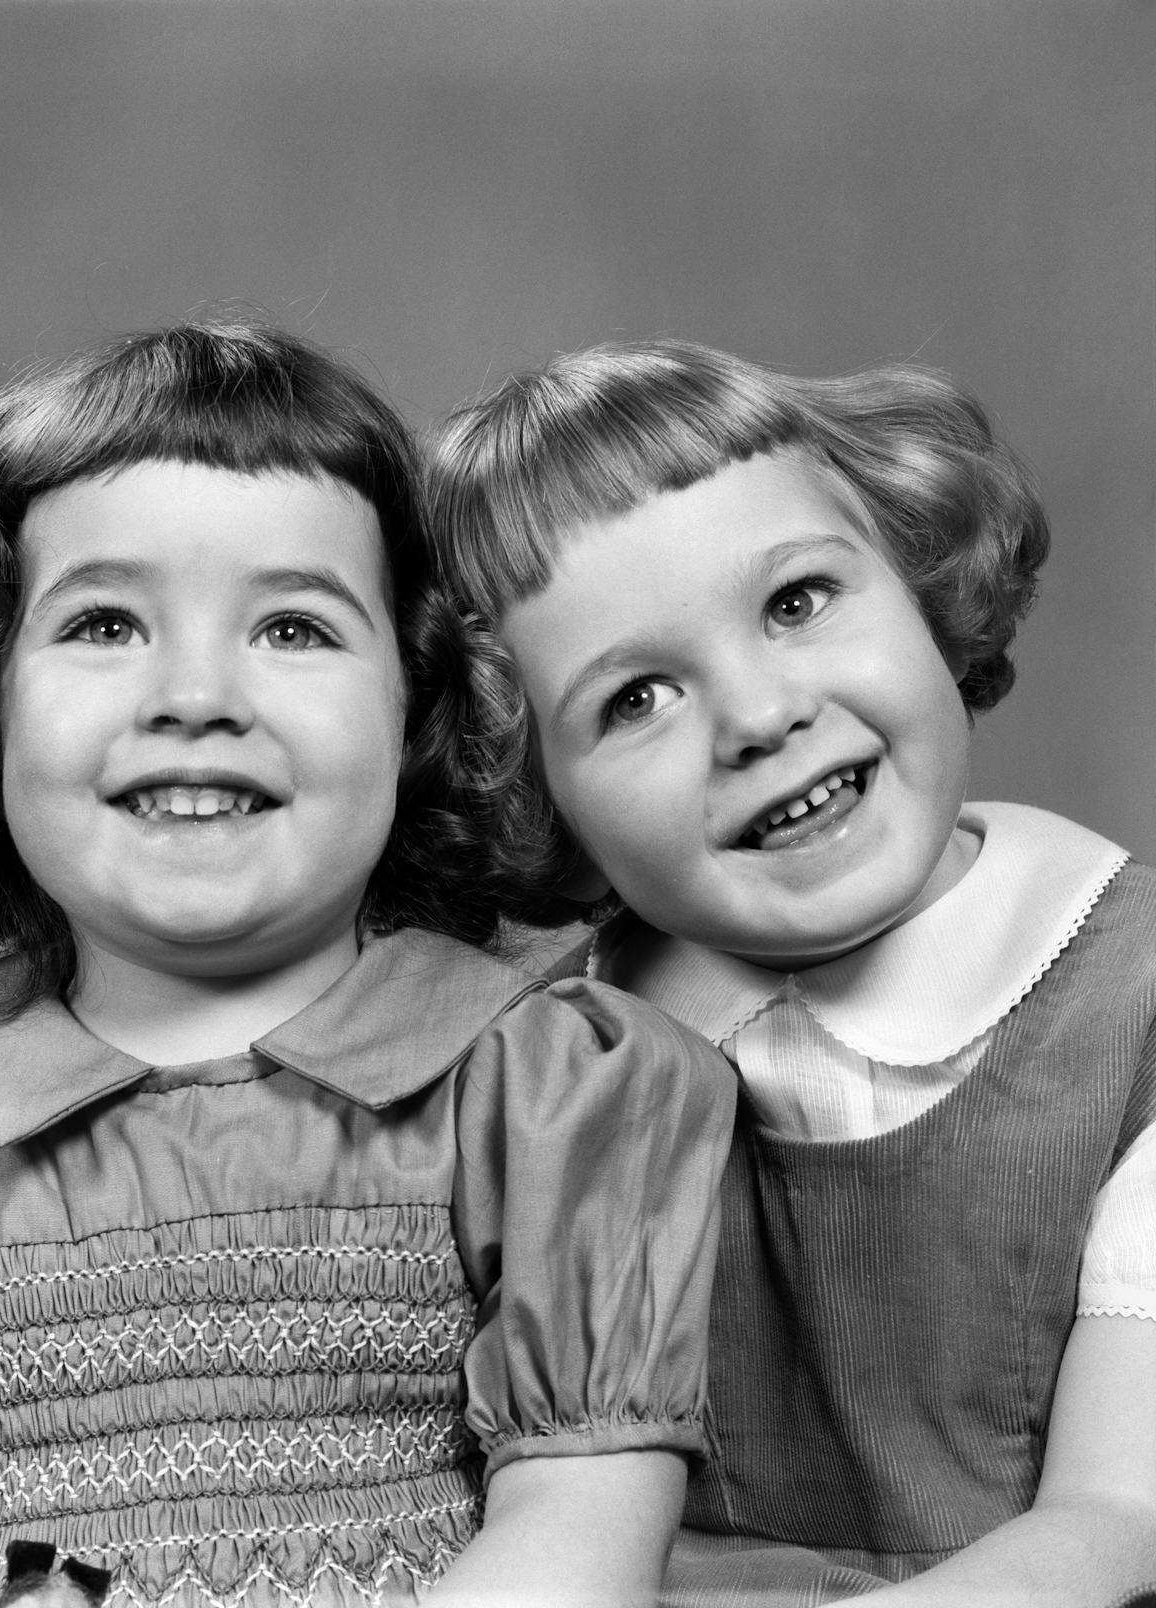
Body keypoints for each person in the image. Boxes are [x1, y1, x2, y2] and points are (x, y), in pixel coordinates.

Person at [0, 321, 734, 1608]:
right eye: (106, 622)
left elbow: (582, 1526)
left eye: (292, 629)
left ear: (420, 702)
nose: (194, 693)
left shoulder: (539, 1083)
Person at [426, 339, 1156, 1606]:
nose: (760, 716)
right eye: (637, 696)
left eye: (797, 601)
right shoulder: (545, 1060)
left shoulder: (1126, 1007)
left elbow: (1112, 1520)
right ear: (532, 797)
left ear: (919, 584)